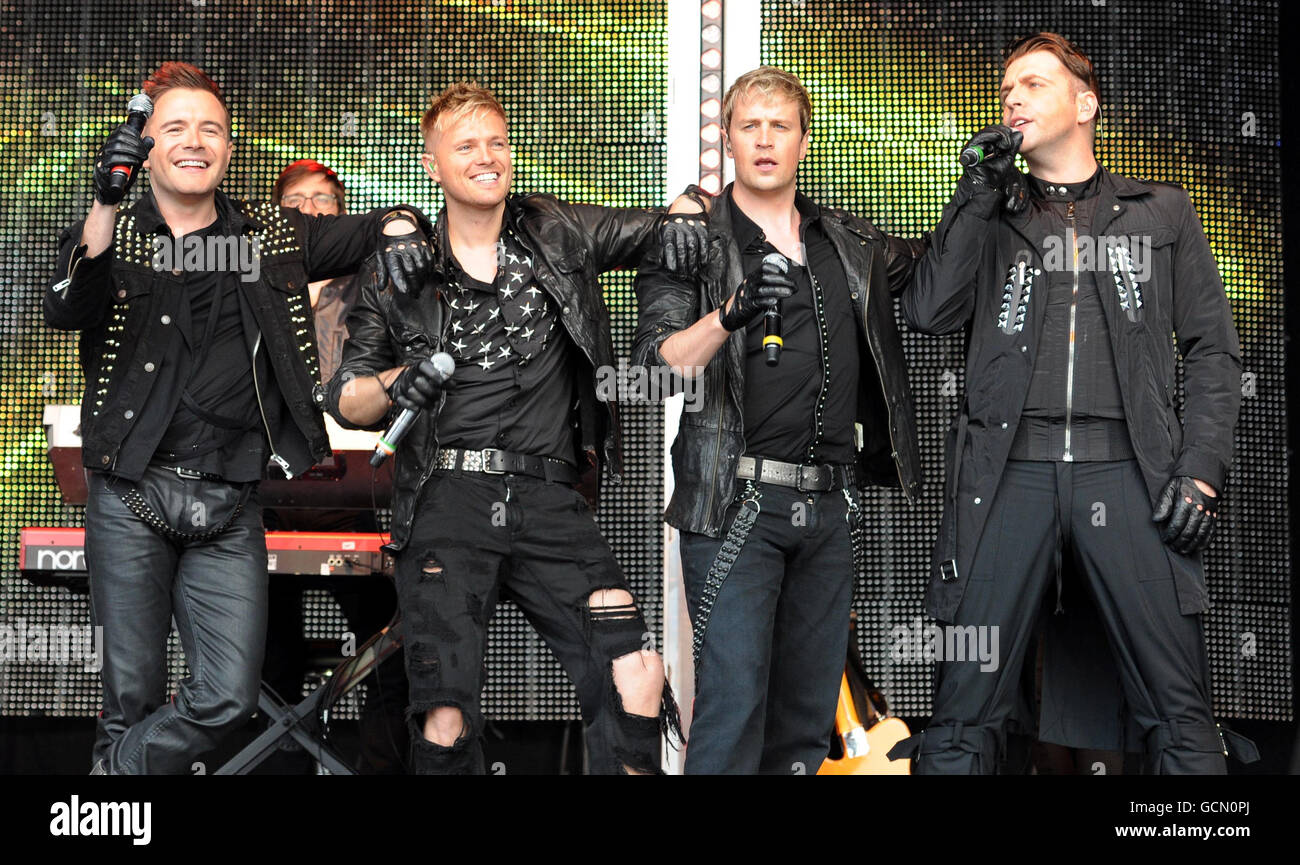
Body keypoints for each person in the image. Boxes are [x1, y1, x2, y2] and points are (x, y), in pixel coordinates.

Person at [45, 61, 431, 774]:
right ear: (147, 145)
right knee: (129, 695)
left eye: (211, 128)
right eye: (176, 128)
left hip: (230, 500)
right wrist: (105, 198)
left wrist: (404, 222)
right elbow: (67, 302)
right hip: (131, 492)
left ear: (228, 146)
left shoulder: (274, 237)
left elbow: (381, 227)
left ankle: (111, 779)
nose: (195, 141)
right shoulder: (117, 233)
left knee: (226, 696)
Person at [892, 32, 1256, 773]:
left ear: (1085, 104)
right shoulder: (992, 211)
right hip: (1007, 474)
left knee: (1181, 710)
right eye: (1005, 91)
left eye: (1033, 84)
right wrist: (975, 196)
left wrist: (1203, 467)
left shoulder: (1161, 213)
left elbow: (1214, 349)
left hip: (1128, 472)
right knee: (963, 709)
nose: (1013, 98)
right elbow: (927, 310)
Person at [327, 81, 707, 774]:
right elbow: (346, 397)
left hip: (550, 498)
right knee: (444, 716)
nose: (486, 156)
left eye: (497, 142)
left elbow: (663, 226)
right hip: (447, 497)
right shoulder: (398, 265)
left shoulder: (555, 229)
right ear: (431, 163)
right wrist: (393, 383)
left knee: (639, 672)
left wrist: (688, 203)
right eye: (465, 145)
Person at [631, 66, 924, 774]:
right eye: (749, 126)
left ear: (804, 139)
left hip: (829, 503)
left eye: (780, 126)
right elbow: (656, 367)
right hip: (737, 502)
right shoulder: (691, 237)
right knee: (733, 711)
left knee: (802, 730)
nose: (764, 140)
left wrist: (981, 198)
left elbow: (940, 269)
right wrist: (727, 315)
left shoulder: (846, 242)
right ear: (727, 138)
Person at [261, 158, 409, 773]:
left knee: (391, 649)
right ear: (277, 216)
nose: (314, 209)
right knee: (265, 656)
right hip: (267, 496)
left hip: (360, 495)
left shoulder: (375, 286)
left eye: (327, 199)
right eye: (299, 200)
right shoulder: (260, 281)